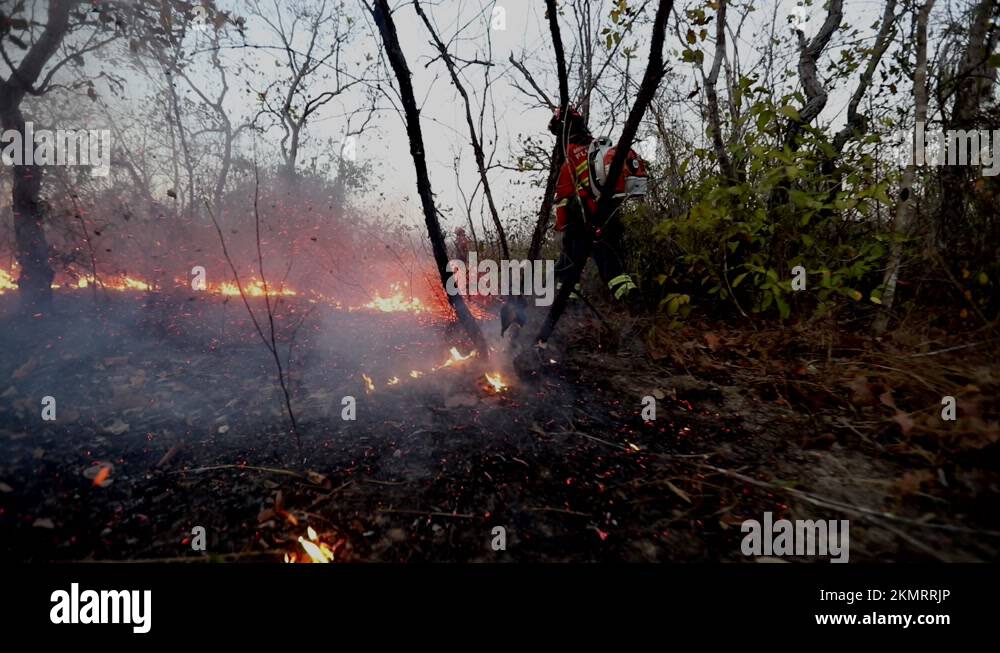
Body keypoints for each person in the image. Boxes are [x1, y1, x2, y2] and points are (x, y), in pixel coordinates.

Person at [549, 106, 640, 304]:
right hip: (608, 215)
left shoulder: (568, 156)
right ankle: (631, 302)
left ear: (563, 130)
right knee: (612, 264)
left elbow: (563, 197)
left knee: (569, 265)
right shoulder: (597, 148)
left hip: (581, 220)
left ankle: (566, 308)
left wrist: (562, 226)